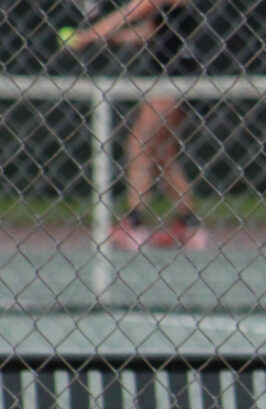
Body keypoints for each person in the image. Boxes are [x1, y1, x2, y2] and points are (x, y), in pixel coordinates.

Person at [62, 0, 207, 251]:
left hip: (176, 77)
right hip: (185, 76)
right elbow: (149, 31)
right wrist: (113, 38)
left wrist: (86, 36)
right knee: (163, 153)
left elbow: (129, 13)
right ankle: (190, 226)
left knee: (139, 141)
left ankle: (134, 224)